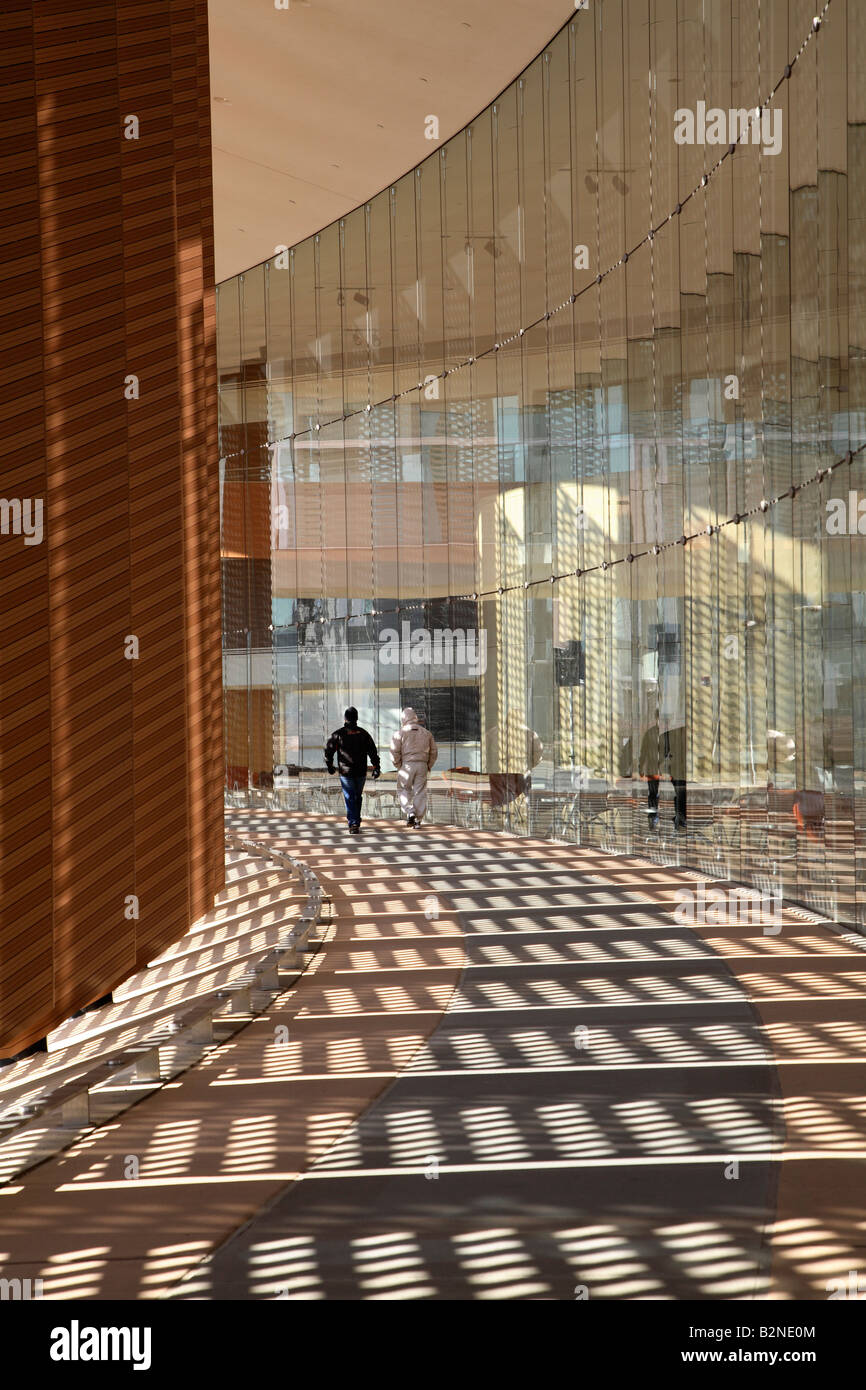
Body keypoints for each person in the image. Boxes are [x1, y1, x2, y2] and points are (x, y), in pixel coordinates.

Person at [324, 707, 380, 835]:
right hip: (361, 772)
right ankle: (355, 821)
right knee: (356, 796)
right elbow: (372, 751)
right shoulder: (363, 734)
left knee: (350, 796)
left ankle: (354, 822)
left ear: (345, 718)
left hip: (346, 772)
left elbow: (328, 751)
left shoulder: (338, 734)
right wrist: (376, 767)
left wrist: (330, 766)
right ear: (357, 718)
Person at [390, 707, 437, 827]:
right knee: (420, 792)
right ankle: (418, 820)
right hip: (422, 765)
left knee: (403, 789)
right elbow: (434, 752)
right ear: (415, 717)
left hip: (406, 765)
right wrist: (428, 765)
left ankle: (410, 811)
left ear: (403, 719)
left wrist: (399, 765)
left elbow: (394, 751)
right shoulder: (426, 733)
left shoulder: (400, 733)